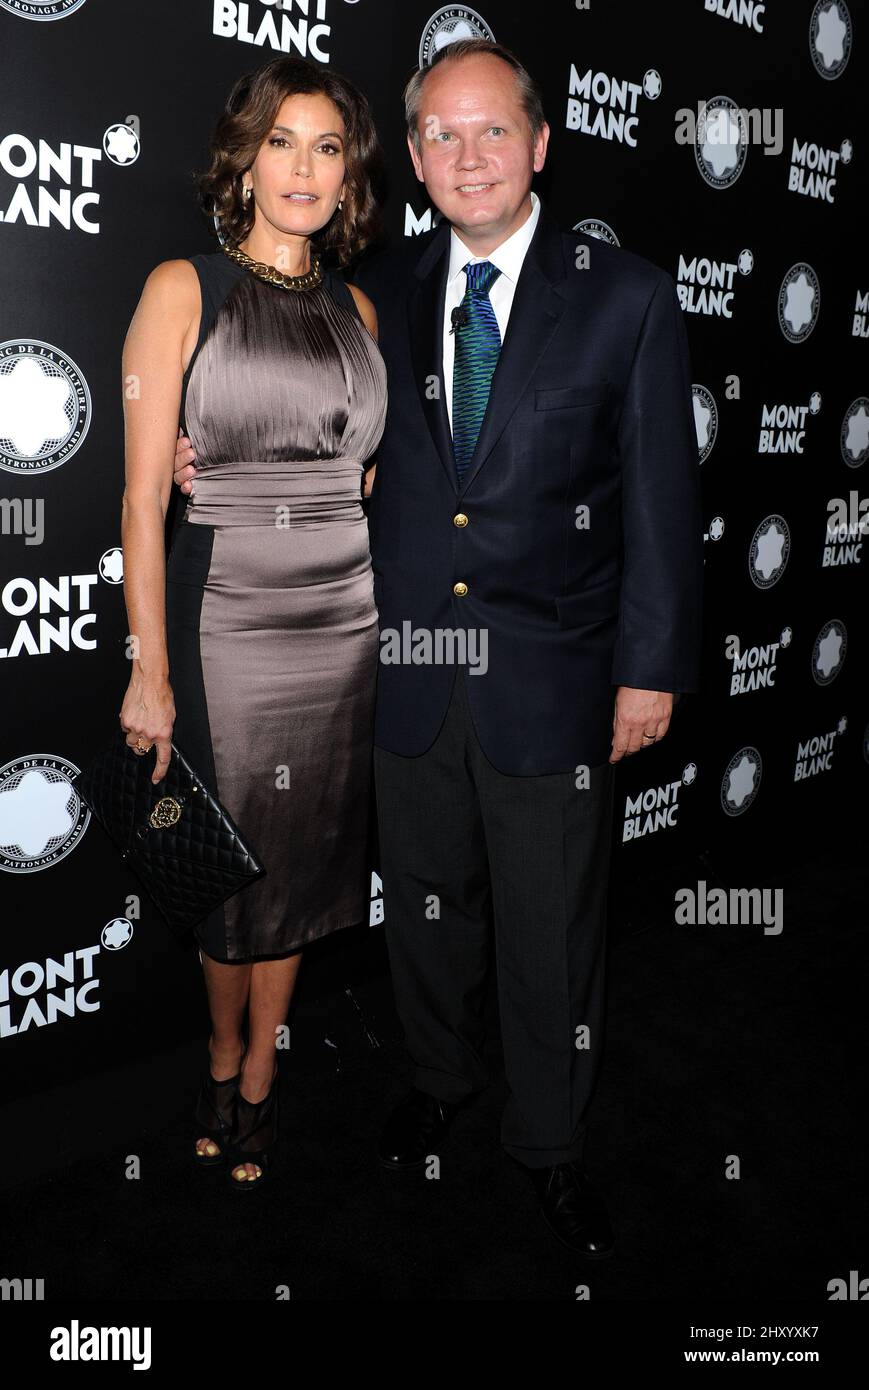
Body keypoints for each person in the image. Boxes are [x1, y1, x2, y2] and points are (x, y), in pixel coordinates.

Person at [175, 38, 703, 1255]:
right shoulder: (378, 292)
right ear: (412, 158)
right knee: (423, 913)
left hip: (555, 682)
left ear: (539, 143)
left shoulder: (623, 293)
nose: (468, 156)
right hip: (401, 675)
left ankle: (548, 1140)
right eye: (441, 136)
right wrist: (215, 463)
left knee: (549, 929)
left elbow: (661, 502)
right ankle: (437, 1079)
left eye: (491, 130)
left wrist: (648, 667)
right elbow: (310, 434)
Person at [120, 55, 386, 1191]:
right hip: (224, 619)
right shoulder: (182, 286)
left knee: (302, 874)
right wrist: (149, 671)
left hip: (342, 623)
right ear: (244, 158)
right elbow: (139, 500)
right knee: (226, 877)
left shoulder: (359, 307)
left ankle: (262, 1078)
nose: (303, 168)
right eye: (283, 141)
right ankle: (221, 1050)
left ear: (349, 178)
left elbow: (360, 479)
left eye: (326, 148)